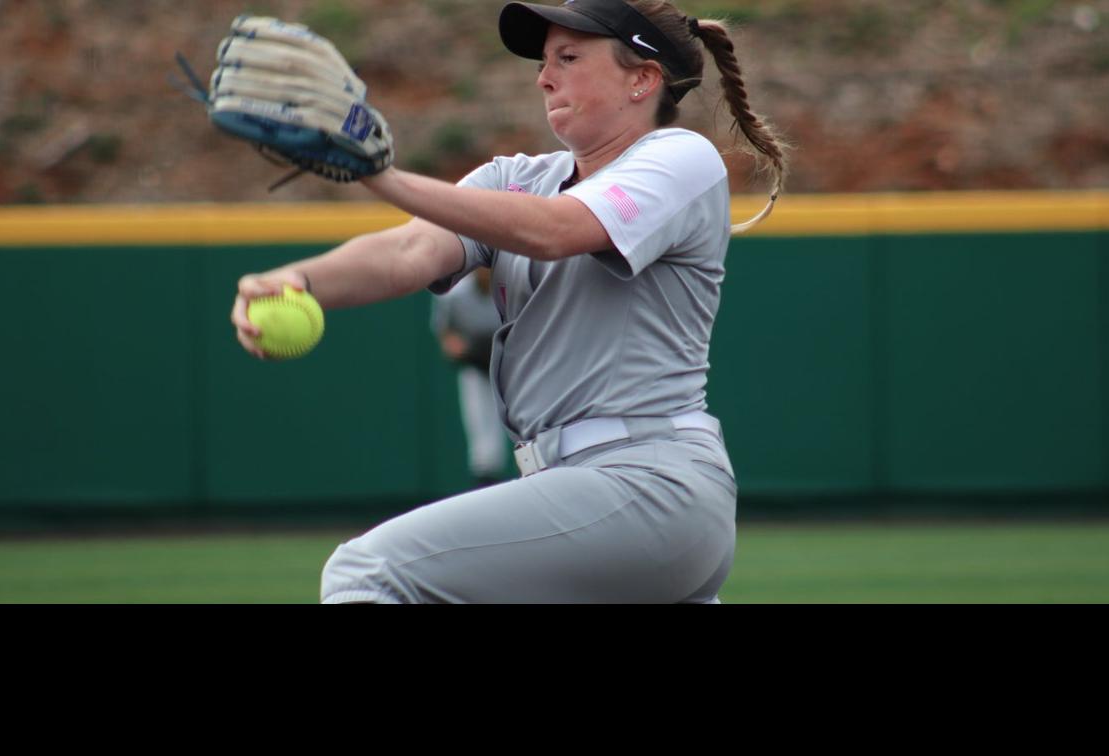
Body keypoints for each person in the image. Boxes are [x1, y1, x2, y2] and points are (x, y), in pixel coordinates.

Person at [229, 0, 789, 603]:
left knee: (368, 572)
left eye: (569, 57)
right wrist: (298, 280)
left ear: (642, 79)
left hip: (646, 479)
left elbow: (553, 231)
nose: (545, 76)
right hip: (588, 495)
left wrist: (381, 177)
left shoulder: (680, 159)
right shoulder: (518, 178)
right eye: (545, 60)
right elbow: (411, 250)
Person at [433, 268, 508, 488]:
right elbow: (447, 334)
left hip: (510, 364)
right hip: (475, 364)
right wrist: (453, 344)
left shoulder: (509, 288)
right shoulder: (456, 294)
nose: (484, 271)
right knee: (481, 433)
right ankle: (486, 482)